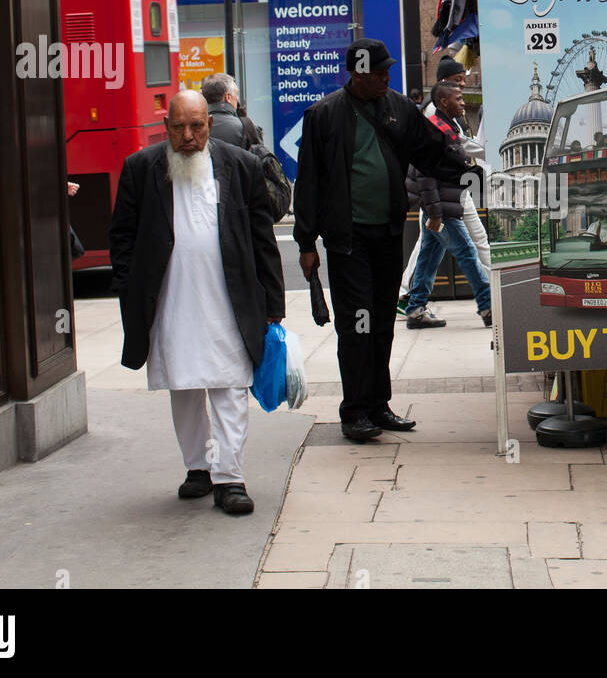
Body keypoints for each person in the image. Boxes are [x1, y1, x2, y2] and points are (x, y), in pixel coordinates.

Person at [108, 90, 284, 515]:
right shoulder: (141, 168)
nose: (188, 136)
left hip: (230, 300)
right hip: (171, 302)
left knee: (229, 385)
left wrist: (273, 303)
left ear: (209, 123)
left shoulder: (241, 166)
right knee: (184, 386)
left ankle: (230, 478)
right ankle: (197, 469)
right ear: (166, 126)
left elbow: (263, 240)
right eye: (179, 127)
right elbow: (123, 238)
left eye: (197, 126)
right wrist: (130, 292)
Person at [293, 38, 474, 441]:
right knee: (358, 325)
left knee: (382, 325)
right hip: (348, 240)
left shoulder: (398, 108)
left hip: (388, 233)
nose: (386, 78)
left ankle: (378, 404)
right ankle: (354, 410)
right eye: (378, 73)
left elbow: (431, 150)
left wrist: (469, 170)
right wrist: (306, 243)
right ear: (357, 74)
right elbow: (307, 183)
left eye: (387, 71)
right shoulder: (324, 116)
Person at [402, 82, 492, 329]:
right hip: (442, 207)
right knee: (467, 252)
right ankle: (488, 306)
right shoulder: (434, 128)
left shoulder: (449, 126)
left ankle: (416, 309)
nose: (463, 103)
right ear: (444, 102)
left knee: (429, 257)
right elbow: (425, 174)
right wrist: (435, 213)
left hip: (442, 204)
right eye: (459, 99)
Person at [201, 73, 247, 148]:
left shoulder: (195, 128)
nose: (237, 98)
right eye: (236, 94)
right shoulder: (245, 128)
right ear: (228, 97)